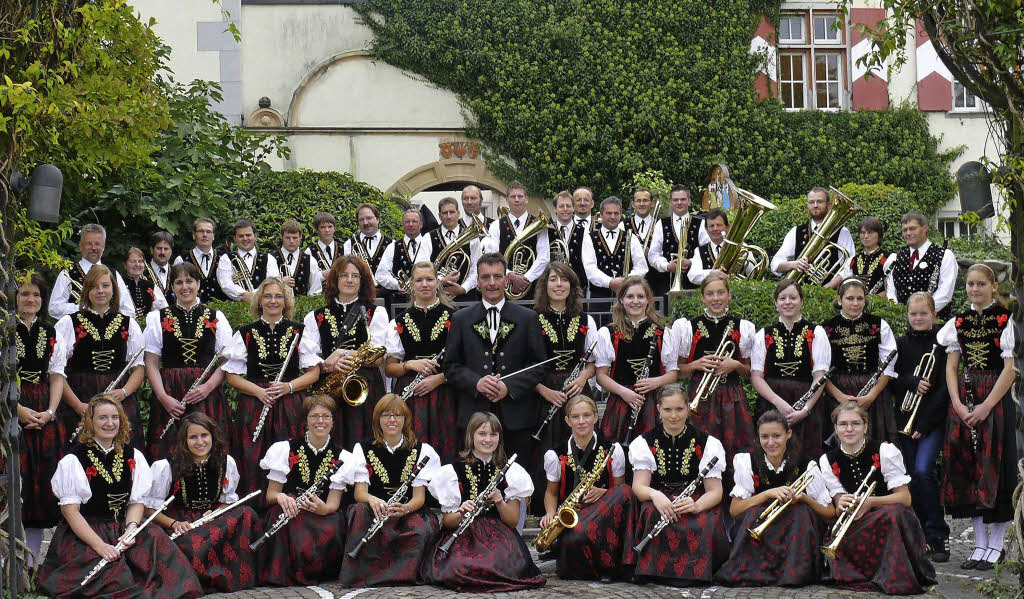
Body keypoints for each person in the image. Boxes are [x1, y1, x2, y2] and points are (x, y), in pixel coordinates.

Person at [38, 395, 202, 599]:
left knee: (163, 556)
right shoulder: (74, 460)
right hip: (88, 532)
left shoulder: (133, 455)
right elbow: (70, 513)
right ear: (90, 421)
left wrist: (131, 528)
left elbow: (136, 501)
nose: (110, 423)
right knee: (114, 581)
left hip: (123, 527)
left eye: (114, 417)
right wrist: (101, 546)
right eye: (102, 418)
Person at [937, 263, 1016, 570]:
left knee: (993, 468)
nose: (974, 289)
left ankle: (996, 546)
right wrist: (957, 403)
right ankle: (979, 545)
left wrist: (986, 407)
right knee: (968, 470)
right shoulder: (959, 321)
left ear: (993, 287)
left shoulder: (1006, 319)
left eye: (980, 284)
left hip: (994, 399)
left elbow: (1010, 369)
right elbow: (951, 366)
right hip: (965, 401)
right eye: (970, 284)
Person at [443, 253, 548, 469]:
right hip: (473, 415)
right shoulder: (460, 318)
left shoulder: (527, 318)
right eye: (485, 277)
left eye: (497, 276)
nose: (492, 283)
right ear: (478, 281)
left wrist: (507, 386)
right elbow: (450, 367)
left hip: (516, 416)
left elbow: (539, 366)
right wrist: (476, 383)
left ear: (506, 279)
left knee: (518, 481)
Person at [818, 402, 936, 594]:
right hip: (857, 519)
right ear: (835, 428)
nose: (849, 429)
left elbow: (905, 498)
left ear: (865, 427)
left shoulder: (885, 451)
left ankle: (894, 576)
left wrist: (871, 502)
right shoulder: (827, 460)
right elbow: (838, 501)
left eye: (855, 423)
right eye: (843, 424)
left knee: (892, 514)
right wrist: (841, 503)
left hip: (888, 515)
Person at [421, 412, 545, 592]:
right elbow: (448, 522)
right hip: (465, 534)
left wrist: (500, 501)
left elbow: (512, 521)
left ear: (499, 438)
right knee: (459, 566)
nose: (488, 439)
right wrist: (461, 512)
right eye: (482, 434)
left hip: (499, 533)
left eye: (493, 435)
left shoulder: (510, 471)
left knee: (502, 562)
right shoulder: (453, 471)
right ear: (471, 436)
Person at [223, 277, 321, 495]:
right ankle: (256, 503)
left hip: (290, 404)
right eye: (267, 296)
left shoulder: (299, 331)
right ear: (259, 301)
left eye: (278, 296)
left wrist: (289, 387)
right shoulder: (245, 332)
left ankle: (290, 499)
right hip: (255, 404)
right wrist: (258, 391)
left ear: (285, 302)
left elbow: (314, 372)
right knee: (252, 454)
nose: (273, 301)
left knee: (291, 451)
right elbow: (231, 376)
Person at [714, 410, 834, 587]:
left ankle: (794, 574)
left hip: (793, 530)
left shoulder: (807, 465)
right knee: (754, 511)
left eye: (777, 436)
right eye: (765, 437)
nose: (770, 442)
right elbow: (734, 510)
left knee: (800, 512)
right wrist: (766, 494)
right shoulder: (747, 461)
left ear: (788, 434)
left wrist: (804, 499)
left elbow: (830, 513)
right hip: (762, 529)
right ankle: (756, 571)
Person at [143, 413, 259, 593]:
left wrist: (217, 511)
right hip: (181, 523)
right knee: (192, 547)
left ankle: (236, 575)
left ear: (213, 436)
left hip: (211, 520)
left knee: (246, 513)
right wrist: (174, 524)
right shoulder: (166, 466)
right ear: (184, 440)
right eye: (193, 437)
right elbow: (149, 510)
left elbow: (227, 502)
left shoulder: (226, 462)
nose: (200, 442)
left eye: (204, 435)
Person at [629, 384, 729, 585]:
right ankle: (654, 572)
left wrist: (697, 505)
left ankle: (698, 574)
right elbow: (639, 487)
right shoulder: (644, 442)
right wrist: (656, 496)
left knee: (703, 521)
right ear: (658, 409)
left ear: (688, 408)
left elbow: (715, 492)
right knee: (651, 513)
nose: (673, 415)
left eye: (679, 409)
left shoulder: (708, 443)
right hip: (660, 497)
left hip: (695, 498)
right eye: (667, 410)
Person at [340, 395, 442, 587]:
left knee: (420, 529)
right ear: (378, 419)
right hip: (376, 509)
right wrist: (373, 500)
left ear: (406, 419)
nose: (392, 420)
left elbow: (419, 497)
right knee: (359, 512)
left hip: (407, 509)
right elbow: (359, 493)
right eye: (386, 415)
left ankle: (402, 575)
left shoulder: (422, 451)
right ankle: (361, 574)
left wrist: (405, 508)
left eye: (397, 415)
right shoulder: (363, 449)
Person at [540, 395, 636, 581]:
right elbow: (551, 493)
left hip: (605, 515)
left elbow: (620, 493)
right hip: (573, 516)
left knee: (625, 491)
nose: (581, 421)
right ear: (567, 420)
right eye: (575, 417)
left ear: (595, 417)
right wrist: (550, 514)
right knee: (576, 539)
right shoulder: (554, 455)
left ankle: (614, 567)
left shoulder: (613, 450)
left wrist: (604, 492)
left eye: (586, 415)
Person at [257, 395, 350, 586]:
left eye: (325, 416)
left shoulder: (344, 458)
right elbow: (271, 494)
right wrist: (282, 497)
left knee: (331, 527)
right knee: (284, 519)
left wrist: (322, 509)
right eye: (314, 416)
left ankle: (320, 573)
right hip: (292, 510)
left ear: (333, 421)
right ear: (306, 420)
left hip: (322, 513)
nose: (320, 421)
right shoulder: (284, 449)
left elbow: (333, 504)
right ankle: (285, 574)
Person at [143, 262, 233, 458]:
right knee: (169, 450)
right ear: (172, 287)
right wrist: (163, 397)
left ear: (198, 284)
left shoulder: (216, 317)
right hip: (170, 392)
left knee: (209, 449)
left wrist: (207, 387)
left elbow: (227, 362)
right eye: (179, 282)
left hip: (206, 394)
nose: (185, 287)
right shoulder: (157, 318)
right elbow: (150, 363)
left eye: (190, 281)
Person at [302, 255, 389, 449]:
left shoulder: (376, 313)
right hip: (329, 390)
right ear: (335, 279)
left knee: (366, 444)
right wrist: (326, 365)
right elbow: (307, 358)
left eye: (355, 276)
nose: (349, 280)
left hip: (365, 388)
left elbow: (377, 356)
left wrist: (341, 354)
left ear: (362, 281)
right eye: (344, 275)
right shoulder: (315, 316)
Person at [56, 265, 146, 451]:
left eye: (105, 286)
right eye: (94, 286)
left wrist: (124, 392)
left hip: (118, 398)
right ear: (86, 290)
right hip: (80, 397)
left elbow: (138, 368)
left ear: (113, 289)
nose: (100, 291)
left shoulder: (129, 324)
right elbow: (56, 372)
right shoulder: (67, 323)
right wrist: (77, 405)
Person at [891, 292, 950, 562]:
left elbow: (945, 389)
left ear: (934, 315)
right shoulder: (901, 344)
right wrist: (911, 382)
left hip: (931, 422)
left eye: (923, 313)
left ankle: (938, 534)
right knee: (909, 477)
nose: (918, 318)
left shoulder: (943, 343)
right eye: (913, 314)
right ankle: (917, 536)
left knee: (925, 471)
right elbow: (892, 380)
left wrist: (925, 423)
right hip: (904, 419)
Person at [676, 273, 756, 466]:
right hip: (700, 395)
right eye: (710, 294)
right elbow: (677, 370)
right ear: (702, 297)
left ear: (729, 295)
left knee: (736, 446)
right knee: (701, 446)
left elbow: (750, 371)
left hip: (732, 396)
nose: (716, 298)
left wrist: (735, 365)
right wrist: (695, 365)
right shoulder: (689, 327)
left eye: (721, 293)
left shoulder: (742, 327)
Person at [15, 274, 67, 563]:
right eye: (24, 294)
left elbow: (57, 374)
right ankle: (6, 563)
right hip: (12, 409)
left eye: (35, 294)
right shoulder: (4, 331)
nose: (30, 300)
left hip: (45, 412)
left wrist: (50, 412)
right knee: (15, 483)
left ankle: (33, 563)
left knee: (39, 489)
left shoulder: (50, 332)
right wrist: (18, 410)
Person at [384, 261, 457, 462]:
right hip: (411, 394)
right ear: (412, 285)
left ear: (437, 282)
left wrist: (438, 379)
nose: (425, 284)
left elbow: (463, 363)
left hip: (444, 391)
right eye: (419, 280)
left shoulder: (456, 318)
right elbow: (390, 368)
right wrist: (409, 365)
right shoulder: (398, 322)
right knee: (410, 448)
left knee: (443, 447)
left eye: (429, 279)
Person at [750, 280, 832, 459]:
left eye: (793, 297)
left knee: (806, 455)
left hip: (807, 402)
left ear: (802, 301)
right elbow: (756, 377)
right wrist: (779, 404)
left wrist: (806, 410)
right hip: (771, 403)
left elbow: (820, 376)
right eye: (782, 298)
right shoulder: (763, 334)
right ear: (776, 303)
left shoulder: (816, 332)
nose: (788, 302)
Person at [594, 275, 677, 442]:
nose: (635, 301)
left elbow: (673, 374)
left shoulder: (663, 332)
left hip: (653, 404)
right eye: (630, 296)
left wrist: (655, 382)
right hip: (620, 402)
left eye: (641, 296)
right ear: (622, 300)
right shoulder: (608, 333)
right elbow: (601, 375)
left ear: (648, 300)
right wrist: (625, 393)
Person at [532, 263, 599, 456]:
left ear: (572, 285)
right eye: (553, 279)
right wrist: (544, 391)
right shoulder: (532, 319)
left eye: (564, 280)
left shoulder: (586, 319)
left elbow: (592, 362)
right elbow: (525, 365)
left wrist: (582, 377)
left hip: (577, 389)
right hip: (545, 393)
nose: (559, 284)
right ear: (545, 285)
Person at [822, 278, 898, 443]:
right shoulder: (825, 329)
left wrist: (870, 397)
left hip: (872, 391)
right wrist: (840, 397)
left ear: (865, 300)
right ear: (839, 300)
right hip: (838, 391)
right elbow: (820, 371)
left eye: (860, 298)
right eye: (850, 298)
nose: (855, 303)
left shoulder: (879, 325)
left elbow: (888, 368)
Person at [770, 187, 855, 288]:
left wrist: (827, 287)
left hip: (831, 293)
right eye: (811, 202)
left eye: (819, 201)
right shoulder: (796, 231)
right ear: (807, 205)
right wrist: (794, 264)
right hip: (799, 294)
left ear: (829, 205)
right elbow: (775, 264)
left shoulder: (842, 232)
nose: (815, 205)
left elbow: (849, 266)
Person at [49, 223, 136, 319]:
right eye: (89, 244)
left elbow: (129, 310)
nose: (93, 248)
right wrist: (84, 308)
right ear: (80, 246)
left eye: (97, 244)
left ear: (103, 246)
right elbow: (54, 308)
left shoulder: (113, 274)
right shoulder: (67, 273)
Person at [885, 211, 958, 318]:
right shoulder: (895, 259)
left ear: (925, 228)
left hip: (934, 322)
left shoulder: (944, 255)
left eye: (913, 228)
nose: (908, 233)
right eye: (905, 230)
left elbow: (945, 292)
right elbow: (891, 292)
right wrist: (900, 314)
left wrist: (923, 313)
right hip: (903, 322)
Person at [485, 181, 550, 299]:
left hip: (533, 286)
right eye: (513, 197)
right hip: (505, 285)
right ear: (507, 199)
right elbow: (492, 256)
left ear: (526, 199)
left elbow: (544, 257)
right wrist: (510, 275)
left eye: (520, 196)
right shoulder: (495, 225)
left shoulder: (539, 224)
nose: (516, 200)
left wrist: (526, 279)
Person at [647, 184, 709, 294]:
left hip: (694, 284)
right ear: (671, 202)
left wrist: (690, 262)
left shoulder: (701, 224)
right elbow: (653, 255)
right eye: (675, 200)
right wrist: (667, 266)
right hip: (666, 283)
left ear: (689, 201)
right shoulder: (661, 224)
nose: (679, 203)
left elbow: (706, 252)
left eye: (683, 199)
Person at [582, 196, 648, 298]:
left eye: (616, 213)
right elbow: (590, 269)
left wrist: (626, 282)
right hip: (599, 298)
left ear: (620, 215)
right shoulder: (589, 238)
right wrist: (610, 282)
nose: (612, 217)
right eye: (609, 213)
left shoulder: (631, 237)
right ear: (601, 215)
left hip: (627, 296)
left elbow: (641, 266)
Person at [216, 219, 281, 303]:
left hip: (264, 307)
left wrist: (253, 296)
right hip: (236, 310)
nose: (245, 238)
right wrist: (243, 295)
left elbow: (273, 282)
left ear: (255, 236)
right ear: (235, 238)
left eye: (248, 235)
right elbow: (226, 284)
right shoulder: (225, 259)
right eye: (240, 236)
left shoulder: (269, 258)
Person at [428, 196, 481, 300]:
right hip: (436, 296)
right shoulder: (428, 238)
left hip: (466, 296)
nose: (448, 216)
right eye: (445, 213)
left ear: (458, 213)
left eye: (452, 212)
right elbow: (424, 268)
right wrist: (441, 280)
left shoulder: (473, 239)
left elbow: (477, 270)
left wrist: (463, 288)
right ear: (439, 216)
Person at [687, 209, 758, 283]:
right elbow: (692, 275)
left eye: (719, 225)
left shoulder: (742, 247)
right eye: (711, 226)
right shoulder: (699, 251)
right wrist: (712, 273)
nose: (715, 229)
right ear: (706, 229)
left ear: (727, 228)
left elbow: (754, 273)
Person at [377, 208, 432, 295]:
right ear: (403, 224)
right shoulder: (392, 247)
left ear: (421, 224)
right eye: (407, 222)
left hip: (427, 298)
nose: (410, 224)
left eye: (414, 221)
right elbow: (381, 275)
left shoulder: (429, 244)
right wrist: (397, 284)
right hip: (400, 302)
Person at [829, 216, 888, 295]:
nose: (865, 236)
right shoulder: (853, 260)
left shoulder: (889, 258)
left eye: (870, 232)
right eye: (862, 232)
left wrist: (869, 301)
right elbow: (844, 282)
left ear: (879, 235)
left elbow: (890, 291)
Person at [178, 217, 226, 304]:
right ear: (194, 235)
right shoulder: (182, 260)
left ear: (213, 236)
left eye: (208, 232)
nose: (205, 235)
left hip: (222, 312)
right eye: (200, 231)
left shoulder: (225, 259)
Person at [343, 203, 393, 285]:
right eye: (361, 220)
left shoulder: (392, 244)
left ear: (377, 219)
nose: (365, 223)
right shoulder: (348, 245)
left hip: (388, 295)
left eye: (369, 218)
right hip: (359, 294)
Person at [276, 218, 321, 297]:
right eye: (287, 238)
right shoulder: (271, 259)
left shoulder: (310, 260)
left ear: (300, 237)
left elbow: (315, 290)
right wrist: (280, 283)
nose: (291, 241)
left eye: (295, 238)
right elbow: (265, 288)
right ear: (281, 237)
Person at [123, 247, 168, 321]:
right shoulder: (119, 284)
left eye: (140, 261)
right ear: (125, 265)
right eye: (133, 261)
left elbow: (163, 309)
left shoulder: (150, 285)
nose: (137, 265)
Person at [567, 186, 596, 296]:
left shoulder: (601, 225)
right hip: (572, 283)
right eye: (578, 200)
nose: (582, 203)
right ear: (573, 203)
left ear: (592, 203)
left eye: (586, 200)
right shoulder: (565, 226)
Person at [306, 211, 342, 278]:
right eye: (322, 227)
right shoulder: (309, 251)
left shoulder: (344, 248)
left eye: (330, 226)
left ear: (334, 228)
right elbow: (308, 278)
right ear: (316, 230)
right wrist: (322, 275)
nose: (327, 230)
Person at [144, 231, 176, 300]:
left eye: (166, 249)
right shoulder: (142, 273)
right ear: (151, 250)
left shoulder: (177, 272)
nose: (162, 252)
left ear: (171, 252)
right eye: (159, 248)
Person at [549, 191, 576, 266]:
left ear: (573, 208)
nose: (565, 209)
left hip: (577, 277)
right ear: (555, 209)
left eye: (568, 206)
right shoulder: (548, 231)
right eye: (561, 206)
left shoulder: (584, 232)